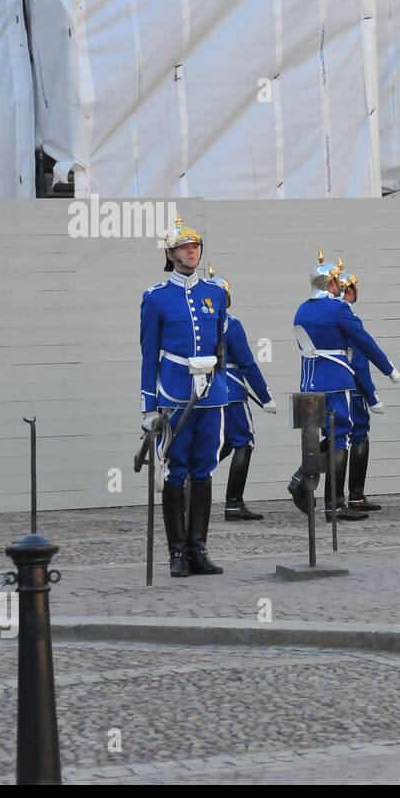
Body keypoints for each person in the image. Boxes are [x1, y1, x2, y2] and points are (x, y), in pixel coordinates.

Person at [139, 217, 228, 577]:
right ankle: (176, 551)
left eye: (195, 246)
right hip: (174, 391)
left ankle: (198, 548)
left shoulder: (216, 293)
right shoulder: (156, 297)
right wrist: (148, 405)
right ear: (170, 254)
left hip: (209, 392)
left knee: (204, 469)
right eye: (184, 247)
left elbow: (221, 344)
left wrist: (217, 379)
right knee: (176, 470)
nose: (192, 251)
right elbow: (148, 354)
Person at [289, 252, 400, 521]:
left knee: (319, 439)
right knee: (341, 439)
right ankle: (334, 505)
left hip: (309, 382)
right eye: (337, 282)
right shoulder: (339, 309)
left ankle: (301, 478)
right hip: (336, 381)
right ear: (330, 283)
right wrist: (389, 369)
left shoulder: (302, 309)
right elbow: (364, 342)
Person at [205, 265, 278, 520]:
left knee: (221, 443)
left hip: (206, 390)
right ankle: (234, 503)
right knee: (244, 441)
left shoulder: (199, 323)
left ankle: (192, 483)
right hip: (232, 390)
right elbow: (247, 363)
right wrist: (265, 395)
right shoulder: (232, 325)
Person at [336, 261, 389, 512]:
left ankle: (305, 479)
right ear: (348, 290)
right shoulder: (347, 316)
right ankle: (355, 495)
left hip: (333, 385)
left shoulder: (327, 313)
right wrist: (371, 393)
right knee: (358, 436)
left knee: (335, 437)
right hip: (353, 388)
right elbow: (359, 360)